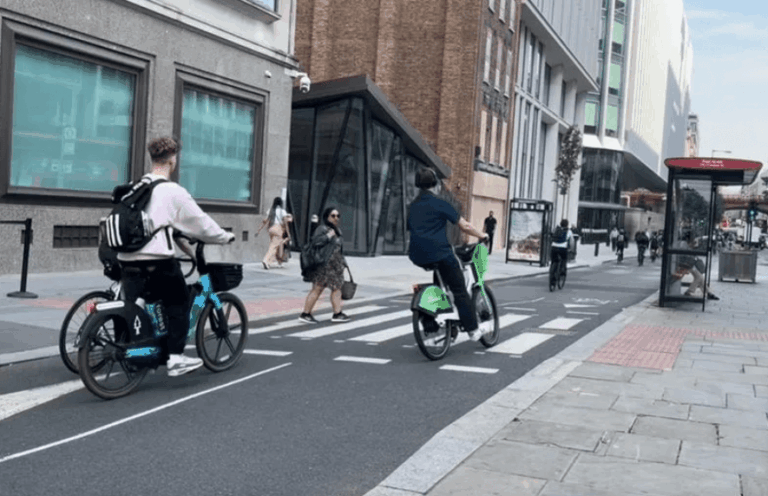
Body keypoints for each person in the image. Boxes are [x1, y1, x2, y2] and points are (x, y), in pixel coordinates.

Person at [118, 137, 235, 377]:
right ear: (173, 160)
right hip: (155, 259)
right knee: (179, 301)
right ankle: (175, 358)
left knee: (145, 301)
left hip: (126, 257)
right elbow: (200, 222)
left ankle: (143, 348)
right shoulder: (173, 191)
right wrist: (224, 237)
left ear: (152, 158)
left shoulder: (137, 186)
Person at [407, 167, 490, 341]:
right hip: (440, 252)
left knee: (441, 277)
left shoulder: (412, 205)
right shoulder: (440, 203)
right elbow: (464, 226)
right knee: (459, 289)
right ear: (436, 184)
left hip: (416, 255)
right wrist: (481, 235)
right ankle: (473, 330)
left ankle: (445, 318)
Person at [299, 207, 350, 324]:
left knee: (336, 288)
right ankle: (306, 314)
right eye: (333, 216)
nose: (336, 218)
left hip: (335, 267)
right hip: (324, 266)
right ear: (327, 217)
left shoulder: (338, 231)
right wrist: (328, 236)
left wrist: (343, 262)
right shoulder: (322, 229)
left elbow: (338, 249)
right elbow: (315, 242)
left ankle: (337, 313)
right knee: (318, 288)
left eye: (338, 216)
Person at [675, 232, 719, 300]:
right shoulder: (683, 244)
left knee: (700, 277)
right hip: (685, 264)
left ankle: (708, 293)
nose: (693, 240)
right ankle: (690, 291)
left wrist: (694, 247)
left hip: (688, 264)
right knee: (699, 277)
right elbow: (685, 254)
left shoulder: (685, 243)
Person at [258, 197, 291, 269]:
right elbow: (286, 224)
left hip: (271, 229)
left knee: (276, 246)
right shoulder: (282, 211)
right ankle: (266, 260)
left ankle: (275, 262)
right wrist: (288, 234)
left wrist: (259, 230)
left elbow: (265, 221)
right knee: (273, 246)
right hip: (278, 229)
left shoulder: (270, 210)